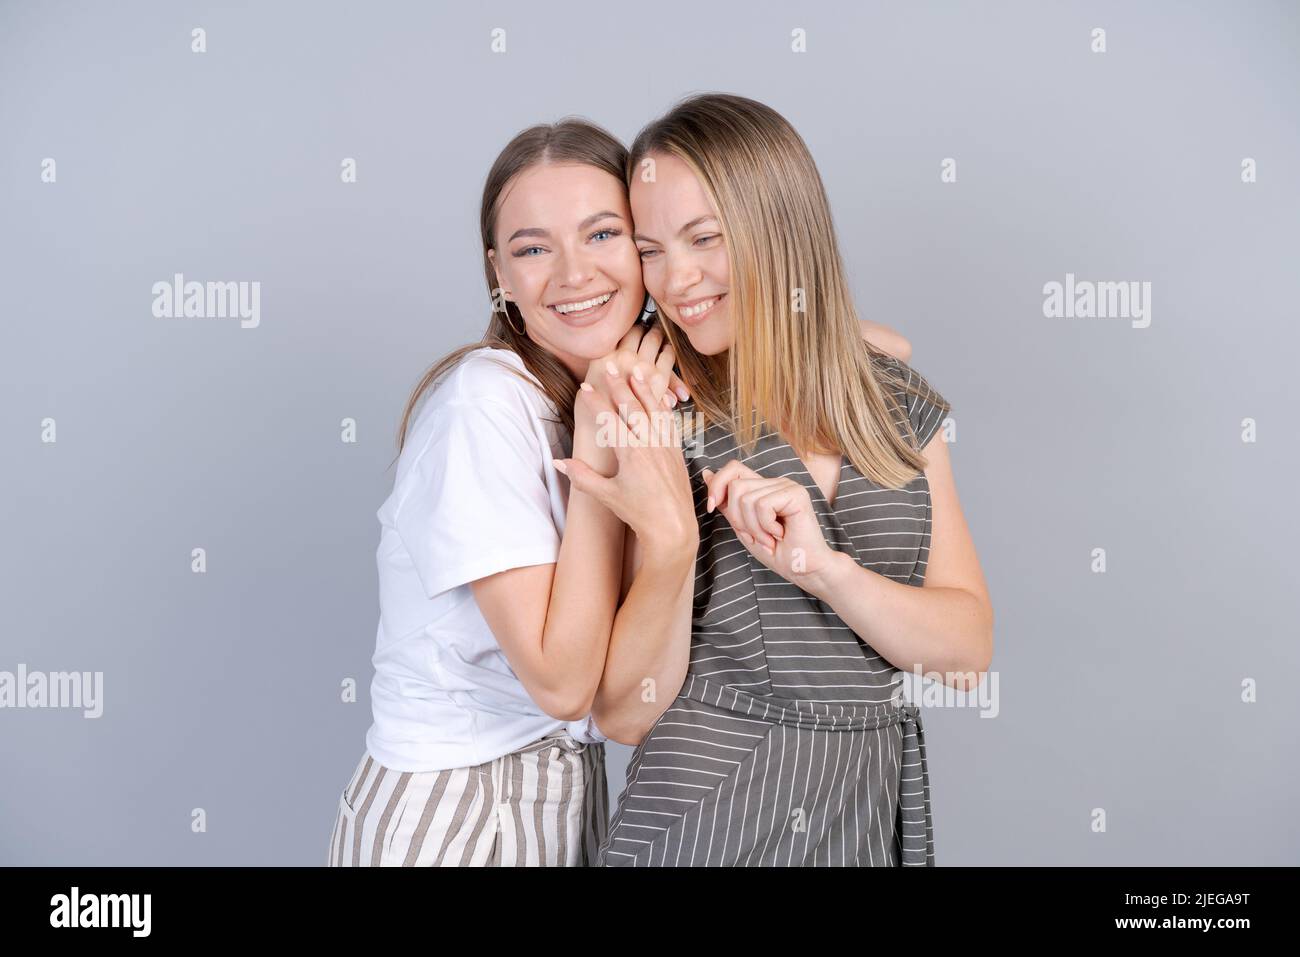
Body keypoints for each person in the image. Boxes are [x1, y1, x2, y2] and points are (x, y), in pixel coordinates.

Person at [580, 93, 994, 866]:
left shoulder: (897, 404)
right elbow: (625, 712)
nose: (677, 279)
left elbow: (966, 655)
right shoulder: (655, 408)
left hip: (866, 809)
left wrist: (828, 572)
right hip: (710, 814)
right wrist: (669, 538)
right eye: (650, 249)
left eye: (704, 238)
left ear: (780, 226)